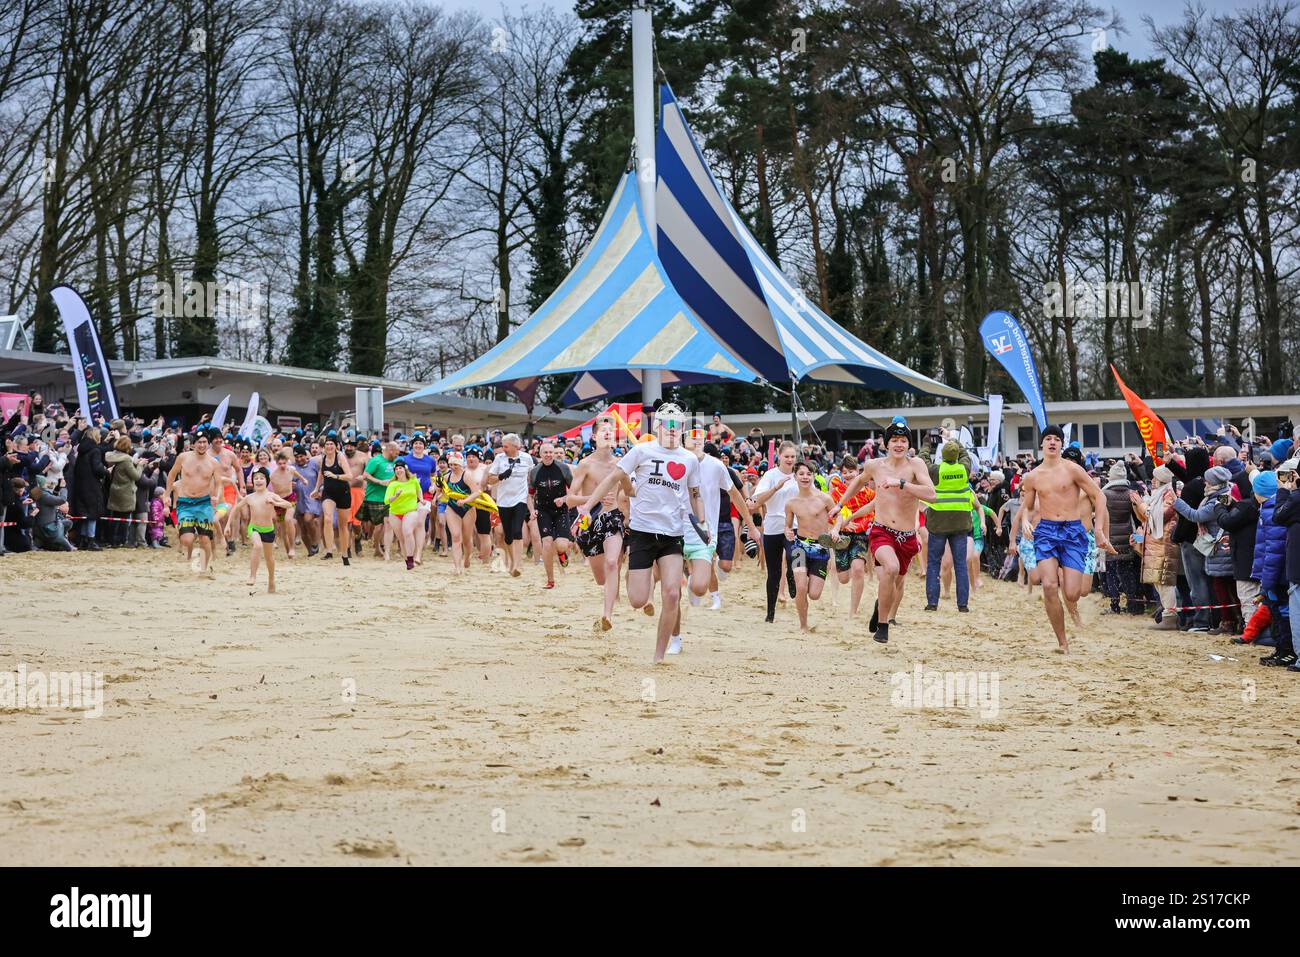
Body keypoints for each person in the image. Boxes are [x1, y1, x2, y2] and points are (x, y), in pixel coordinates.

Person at [576, 402, 704, 663]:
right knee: (637, 600)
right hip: (643, 533)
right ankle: (638, 596)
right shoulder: (641, 451)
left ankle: (659, 656)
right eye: (667, 425)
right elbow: (611, 479)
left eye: (677, 426)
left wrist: (702, 522)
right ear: (657, 427)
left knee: (671, 593)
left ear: (681, 429)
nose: (671, 430)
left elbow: (695, 493)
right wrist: (587, 507)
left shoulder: (689, 459)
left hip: (672, 534)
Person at [834, 419, 937, 643]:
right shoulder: (874, 465)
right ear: (886, 443)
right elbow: (859, 482)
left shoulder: (916, 465)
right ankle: (883, 626)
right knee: (891, 568)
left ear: (909, 444)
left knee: (897, 582)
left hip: (907, 535)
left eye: (903, 440)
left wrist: (901, 483)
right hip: (882, 532)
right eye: (894, 440)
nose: (898, 444)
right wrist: (840, 504)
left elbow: (931, 494)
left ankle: (880, 605)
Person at [1017, 426, 1115, 653]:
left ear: (1061, 445)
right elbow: (1028, 507)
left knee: (1073, 593)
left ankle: (1071, 606)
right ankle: (1062, 642)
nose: (1052, 442)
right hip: (1046, 533)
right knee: (1050, 586)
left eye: (1056, 439)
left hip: (1073, 532)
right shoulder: (1032, 476)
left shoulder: (1073, 470)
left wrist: (1099, 529)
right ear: (1042, 444)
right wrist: (1024, 521)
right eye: (1048, 439)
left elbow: (1098, 496)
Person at [568, 416, 630, 632]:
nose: (607, 433)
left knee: (613, 563)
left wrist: (628, 513)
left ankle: (607, 615)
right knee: (600, 578)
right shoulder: (585, 464)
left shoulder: (621, 465)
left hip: (612, 518)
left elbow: (627, 493)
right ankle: (611, 589)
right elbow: (570, 499)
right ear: (594, 436)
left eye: (610, 431)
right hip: (590, 519)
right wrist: (593, 498)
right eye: (602, 430)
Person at [783, 461, 839, 632]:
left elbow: (839, 516)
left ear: (813, 476)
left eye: (808, 474)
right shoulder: (791, 502)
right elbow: (787, 526)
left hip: (821, 548)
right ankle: (803, 625)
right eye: (801, 474)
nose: (805, 477)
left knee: (814, 594)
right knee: (801, 588)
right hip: (800, 546)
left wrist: (835, 529)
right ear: (795, 477)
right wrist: (788, 532)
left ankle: (799, 578)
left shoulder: (824, 498)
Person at [922, 439, 973, 612]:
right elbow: (966, 456)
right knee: (960, 565)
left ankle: (932, 603)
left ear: (942, 456)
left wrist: (927, 443)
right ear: (957, 455)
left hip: (938, 524)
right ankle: (963, 605)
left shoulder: (936, 470)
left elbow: (923, 460)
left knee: (933, 563)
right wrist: (956, 440)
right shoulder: (964, 469)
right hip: (960, 524)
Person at [752, 441, 801, 623]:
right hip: (773, 526)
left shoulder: (800, 475)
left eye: (792, 456)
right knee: (773, 573)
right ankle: (770, 612)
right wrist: (775, 488)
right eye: (786, 456)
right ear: (779, 456)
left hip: (795, 526)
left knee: (795, 559)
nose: (789, 459)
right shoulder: (771, 475)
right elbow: (758, 500)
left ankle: (792, 577)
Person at [223, 468, 292, 592]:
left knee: (269, 558)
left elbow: (288, 504)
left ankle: (271, 580)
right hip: (253, 527)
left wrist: (276, 503)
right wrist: (228, 525)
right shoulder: (250, 497)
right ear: (252, 481)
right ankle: (252, 575)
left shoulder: (272, 496)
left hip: (268, 530)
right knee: (257, 546)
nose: (259, 480)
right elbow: (236, 509)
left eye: (261, 478)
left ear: (267, 480)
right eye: (256, 478)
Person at [165, 429, 221, 572]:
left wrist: (216, 497)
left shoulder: (214, 463)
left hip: (204, 503)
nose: (202, 445)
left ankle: (203, 568)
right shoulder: (183, 457)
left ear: (208, 444)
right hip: (185, 502)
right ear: (193, 444)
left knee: (205, 539)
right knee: (187, 539)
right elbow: (171, 476)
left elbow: (219, 483)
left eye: (204, 442)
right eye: (199, 442)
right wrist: (167, 495)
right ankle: (191, 538)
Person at [830, 456, 875, 618]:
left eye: (851, 472)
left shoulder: (869, 493)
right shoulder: (836, 493)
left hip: (861, 535)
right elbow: (831, 514)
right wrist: (842, 525)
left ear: (858, 472)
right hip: (841, 536)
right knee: (843, 578)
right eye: (845, 472)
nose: (848, 475)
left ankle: (853, 611)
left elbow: (874, 511)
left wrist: (866, 523)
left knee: (857, 569)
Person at [1139, 464, 1182, 629]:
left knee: (1165, 582)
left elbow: (1160, 517)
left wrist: (1141, 505)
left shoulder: (1169, 495)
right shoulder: (1157, 495)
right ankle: (1165, 613)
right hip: (1155, 544)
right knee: (1158, 581)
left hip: (1165, 543)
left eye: (1155, 477)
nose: (1152, 480)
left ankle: (1170, 617)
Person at [528, 442, 573, 589]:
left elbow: (574, 491)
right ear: (539, 454)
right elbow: (530, 495)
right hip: (543, 510)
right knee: (546, 543)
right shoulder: (534, 471)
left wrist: (564, 499)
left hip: (561, 510)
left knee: (561, 544)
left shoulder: (564, 469)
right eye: (545, 452)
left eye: (550, 452)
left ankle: (561, 553)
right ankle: (550, 580)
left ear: (554, 453)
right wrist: (532, 510)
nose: (548, 455)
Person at [487, 433, 534, 577]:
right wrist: (501, 476)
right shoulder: (499, 458)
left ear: (515, 446)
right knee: (507, 536)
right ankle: (512, 561)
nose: (503, 448)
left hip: (520, 499)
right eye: (503, 446)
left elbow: (531, 477)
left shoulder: (526, 458)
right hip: (503, 501)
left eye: (506, 446)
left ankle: (517, 564)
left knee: (517, 531)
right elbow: (490, 480)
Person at [1269, 459, 1300, 671]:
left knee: (1297, 612)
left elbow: (1278, 516)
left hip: (1297, 567)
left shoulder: (1296, 499)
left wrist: (1283, 491)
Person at [312, 435, 356, 565]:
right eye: (327, 444)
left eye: (332, 444)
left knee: (343, 525)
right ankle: (329, 550)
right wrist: (316, 488)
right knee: (328, 518)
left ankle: (344, 554)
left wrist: (335, 476)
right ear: (324, 446)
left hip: (343, 492)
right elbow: (321, 473)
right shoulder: (323, 458)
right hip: (328, 493)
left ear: (336, 446)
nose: (329, 447)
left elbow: (350, 476)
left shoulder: (340, 457)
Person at [71, 427, 107, 551]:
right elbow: (97, 468)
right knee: (93, 513)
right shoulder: (95, 450)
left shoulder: (82, 450)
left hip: (81, 485)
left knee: (84, 513)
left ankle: (83, 539)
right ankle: (91, 540)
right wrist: (106, 470)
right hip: (92, 486)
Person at [383, 459, 422, 569]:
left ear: (405, 469)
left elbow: (419, 490)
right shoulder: (393, 484)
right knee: (402, 538)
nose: (398, 470)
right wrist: (395, 496)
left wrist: (421, 499)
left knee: (408, 532)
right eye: (396, 469)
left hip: (411, 510)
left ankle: (410, 559)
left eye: (400, 468)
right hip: (395, 513)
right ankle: (407, 560)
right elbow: (386, 500)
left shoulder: (413, 481)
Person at [360, 442, 398, 558]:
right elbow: (365, 475)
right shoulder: (376, 460)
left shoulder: (395, 462)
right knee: (379, 525)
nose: (397, 454)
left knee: (386, 524)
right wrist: (380, 482)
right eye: (396, 452)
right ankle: (376, 547)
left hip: (389, 498)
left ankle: (381, 547)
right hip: (374, 497)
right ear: (390, 450)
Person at [292, 445, 322, 556]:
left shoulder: (314, 465)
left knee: (308, 519)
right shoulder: (293, 468)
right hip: (299, 500)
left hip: (312, 498)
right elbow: (288, 481)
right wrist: (291, 485)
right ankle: (311, 552)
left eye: (301, 456)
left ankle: (315, 543)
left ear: (305, 455)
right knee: (303, 528)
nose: (299, 459)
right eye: (297, 457)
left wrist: (320, 491)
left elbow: (321, 479)